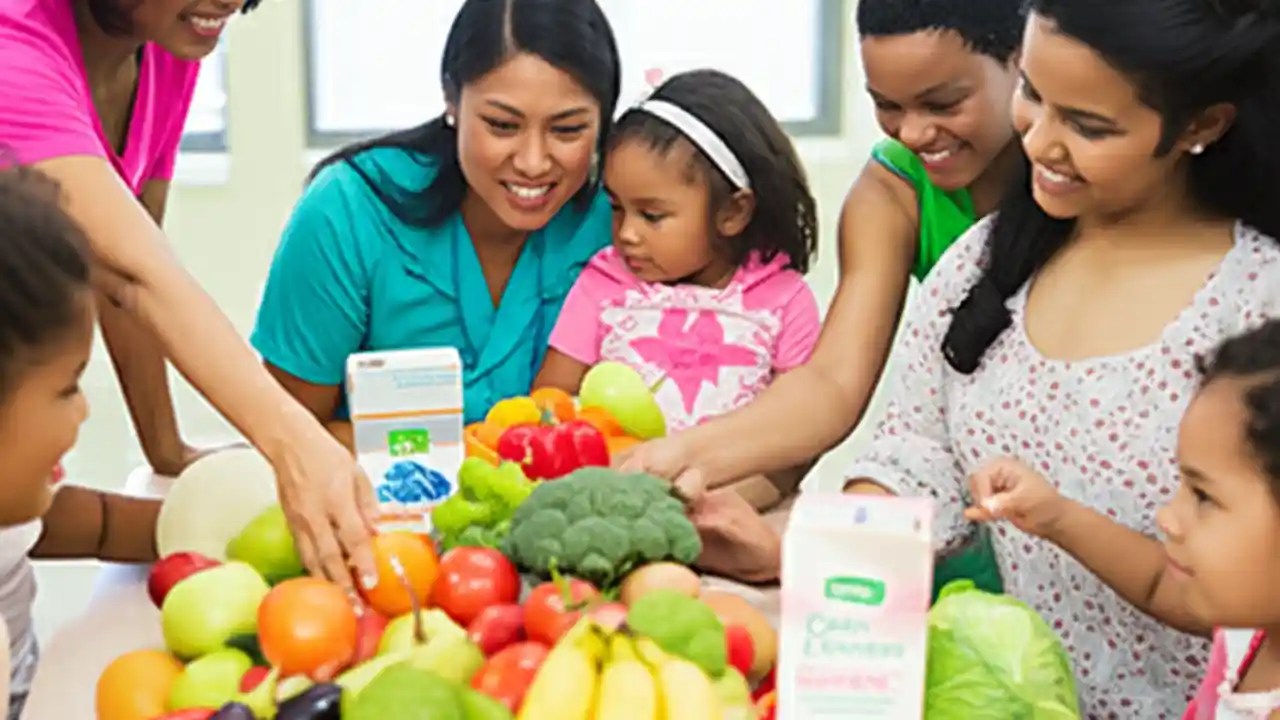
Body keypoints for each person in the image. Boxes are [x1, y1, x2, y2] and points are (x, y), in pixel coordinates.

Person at [840, 0, 1280, 714]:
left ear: (1202, 125)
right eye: (1034, 95)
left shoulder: (1258, 302)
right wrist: (849, 546)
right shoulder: (981, 264)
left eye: (1088, 125)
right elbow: (914, 447)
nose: (1040, 142)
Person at [618, 0, 1025, 584]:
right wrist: (681, 458)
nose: (913, 132)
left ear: (1023, 62)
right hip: (955, 516)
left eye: (943, 104)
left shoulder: (1075, 184)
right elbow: (833, 382)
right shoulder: (892, 188)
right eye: (886, 105)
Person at [0, 0, 378, 590]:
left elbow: (132, 262)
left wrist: (167, 451)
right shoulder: (13, 54)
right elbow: (132, 272)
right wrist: (293, 443)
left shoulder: (165, 44)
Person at [251, 0, 620, 440]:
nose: (533, 162)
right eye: (502, 125)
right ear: (452, 99)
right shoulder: (349, 209)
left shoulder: (625, 221)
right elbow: (288, 436)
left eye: (567, 131)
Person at [533, 70, 819, 578]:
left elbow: (797, 444)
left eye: (653, 215)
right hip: (614, 523)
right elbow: (549, 404)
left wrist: (716, 506)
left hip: (745, 523)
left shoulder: (782, 300)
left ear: (733, 212)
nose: (627, 234)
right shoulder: (603, 285)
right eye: (617, 209)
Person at [967, 320, 1280, 719]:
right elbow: (1157, 584)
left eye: (1204, 496)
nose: (1168, 516)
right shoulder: (1249, 631)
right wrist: (1056, 517)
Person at [0, 167, 170, 719]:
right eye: (67, 387)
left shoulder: (13, 510)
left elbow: (92, 523)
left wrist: (194, 528)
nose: (84, 409)